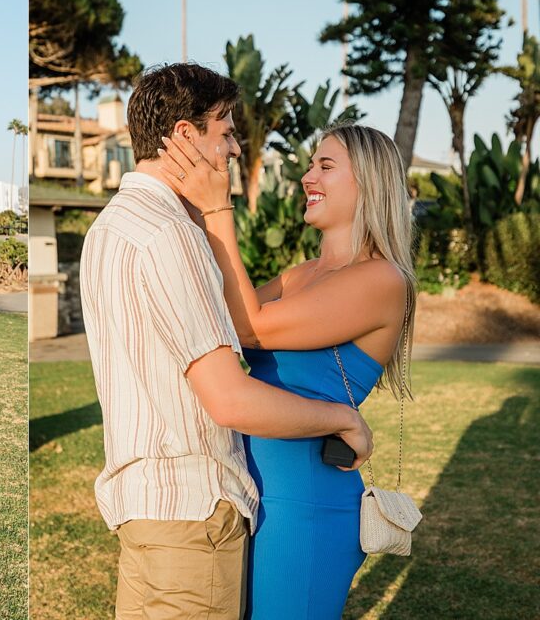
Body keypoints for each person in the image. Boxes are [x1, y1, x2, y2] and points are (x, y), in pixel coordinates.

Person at [79, 62, 375, 620]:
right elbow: (230, 399)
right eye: (226, 131)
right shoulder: (173, 234)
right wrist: (343, 419)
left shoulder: (108, 228)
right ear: (186, 137)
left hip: (139, 511)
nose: (236, 148)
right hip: (191, 518)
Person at [159, 122, 414, 619]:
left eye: (325, 165)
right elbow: (226, 319)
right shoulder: (302, 274)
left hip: (307, 505)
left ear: (368, 182)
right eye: (310, 164)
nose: (306, 176)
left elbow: (249, 329)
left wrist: (218, 209)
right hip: (251, 491)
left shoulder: (382, 279)